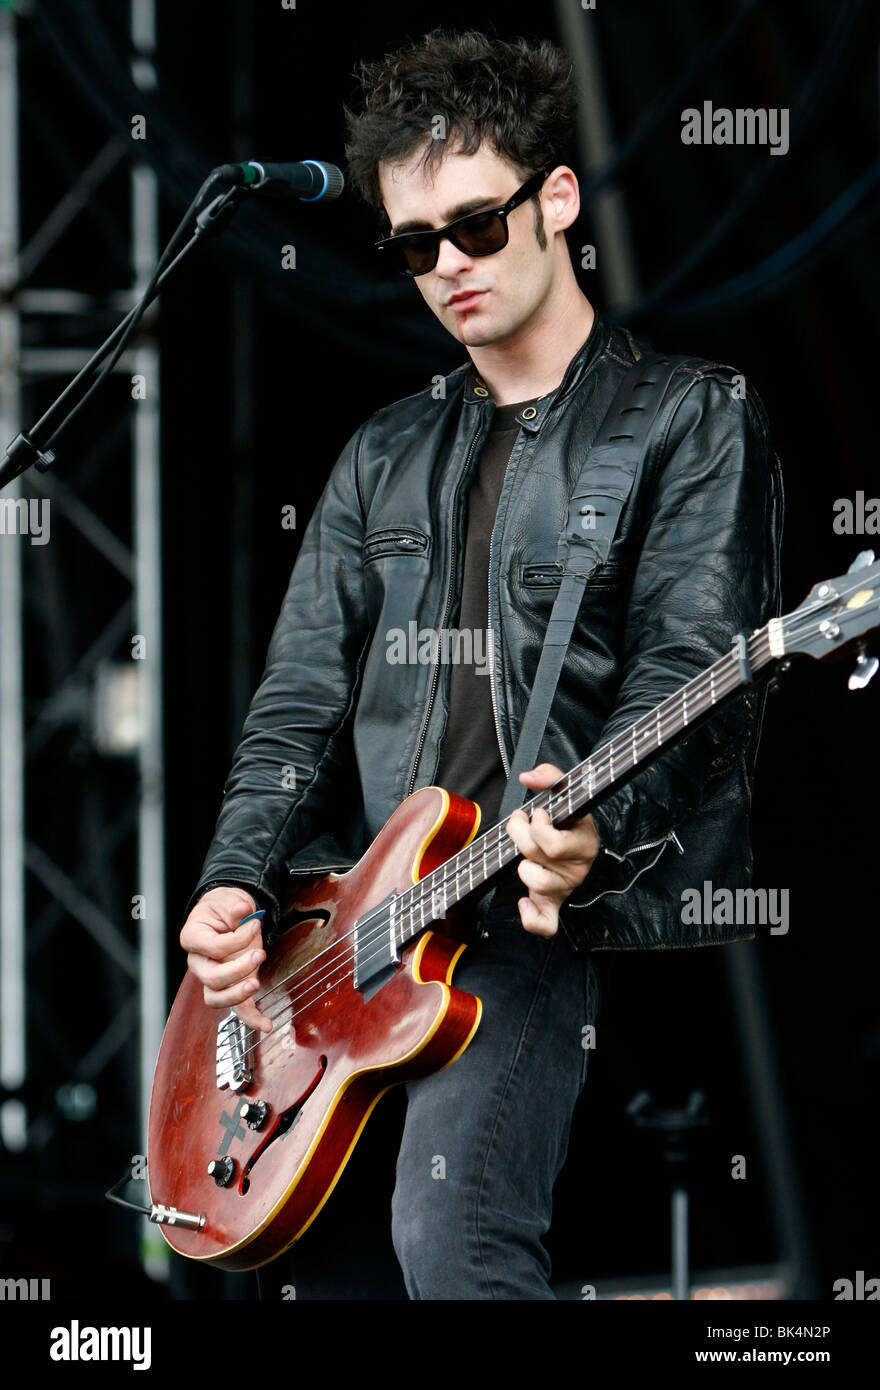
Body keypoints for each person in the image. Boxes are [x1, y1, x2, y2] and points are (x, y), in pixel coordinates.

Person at [178, 28, 782, 1299]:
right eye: (413, 246)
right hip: (347, 939)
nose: (446, 265)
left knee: (455, 1250)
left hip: (526, 919)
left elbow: (692, 667)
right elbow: (295, 702)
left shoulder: (688, 416)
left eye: (476, 225)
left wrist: (594, 825)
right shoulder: (380, 452)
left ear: (556, 199)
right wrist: (235, 884)